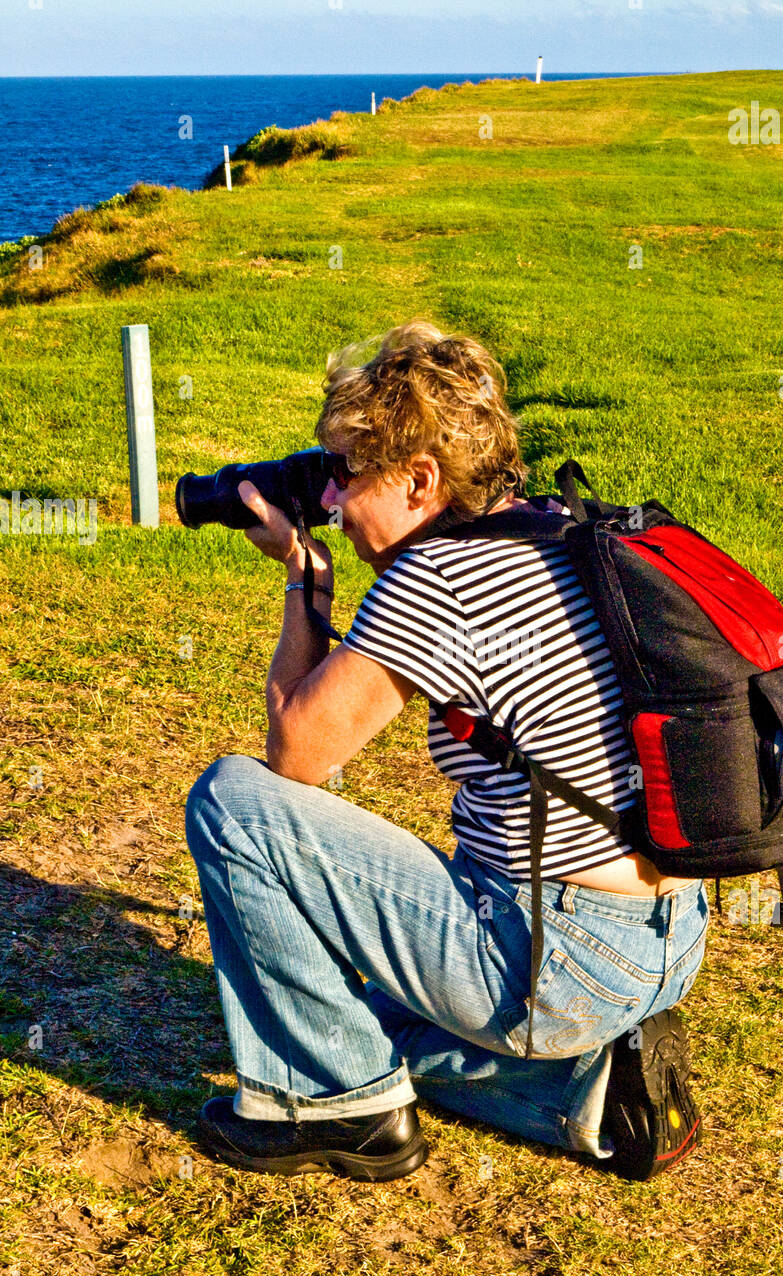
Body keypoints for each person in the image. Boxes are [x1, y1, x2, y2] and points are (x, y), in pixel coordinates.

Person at [185, 318, 709, 1183]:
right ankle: (591, 1086)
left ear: (421, 479)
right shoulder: (555, 534)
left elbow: (296, 758)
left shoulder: (439, 577)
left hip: (552, 954)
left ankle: (339, 1108)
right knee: (346, 1015)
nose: (329, 500)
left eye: (347, 475)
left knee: (234, 803)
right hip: (660, 939)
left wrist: (304, 582)